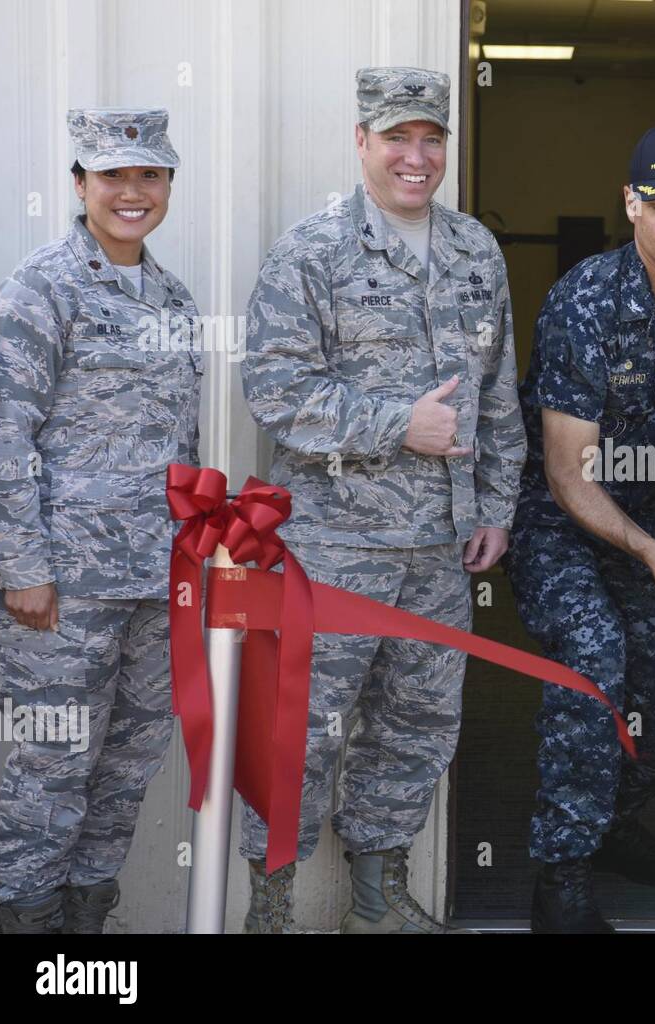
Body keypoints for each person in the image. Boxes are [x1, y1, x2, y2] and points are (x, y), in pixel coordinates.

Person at [240, 67, 524, 933]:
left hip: (440, 550)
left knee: (415, 728)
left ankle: (377, 900)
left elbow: (499, 392)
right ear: (361, 142)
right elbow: (276, 389)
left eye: (431, 138)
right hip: (334, 552)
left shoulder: (476, 250)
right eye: (396, 137)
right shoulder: (312, 253)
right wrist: (399, 424)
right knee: (304, 732)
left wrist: (496, 506)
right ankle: (273, 909)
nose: (415, 155)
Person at [505, 125, 655, 933]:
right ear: (630, 205)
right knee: (594, 661)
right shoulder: (587, 298)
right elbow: (570, 472)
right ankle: (561, 875)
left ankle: (613, 826)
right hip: (566, 524)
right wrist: (653, 555)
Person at [0, 108, 202, 933]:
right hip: (63, 590)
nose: (132, 192)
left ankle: (85, 941)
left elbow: (179, 446)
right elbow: (2, 436)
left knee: (127, 767)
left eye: (149, 175)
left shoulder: (174, 298)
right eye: (112, 175)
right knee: (52, 767)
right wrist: (22, 568)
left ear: (168, 186)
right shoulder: (40, 289)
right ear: (81, 185)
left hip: (156, 584)